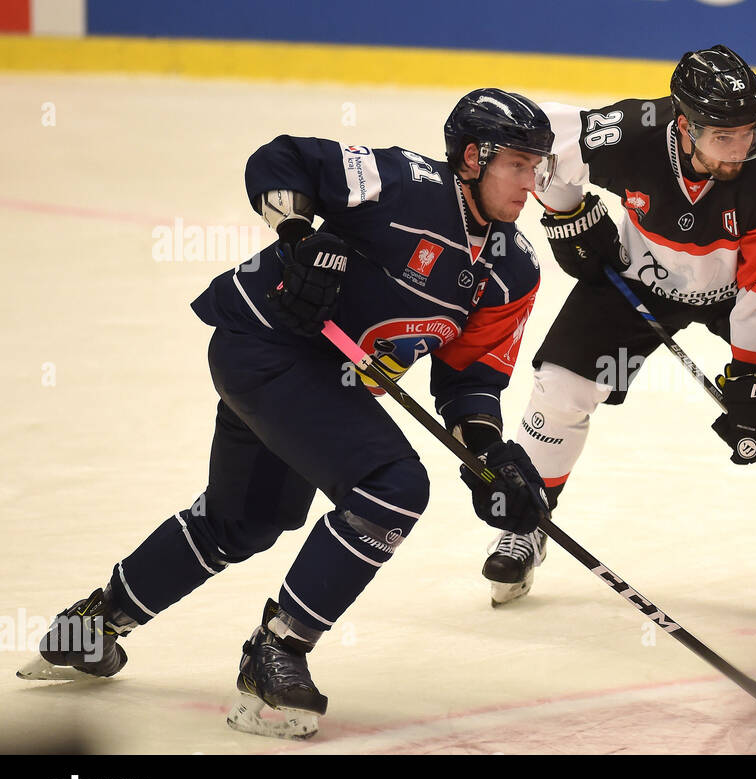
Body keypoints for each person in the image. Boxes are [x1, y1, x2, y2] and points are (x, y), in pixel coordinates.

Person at [18, 89, 556, 738]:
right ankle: (276, 651)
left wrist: (490, 455)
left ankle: (91, 626)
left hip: (320, 379)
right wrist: (300, 238)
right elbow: (282, 159)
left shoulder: (513, 270)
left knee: (243, 520)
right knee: (394, 488)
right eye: (519, 165)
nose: (532, 183)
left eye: (537, 167)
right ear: (473, 157)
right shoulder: (402, 182)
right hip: (263, 342)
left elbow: (470, 378)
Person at [480, 45, 756, 612]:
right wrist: (565, 213)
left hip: (747, 287)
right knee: (562, 387)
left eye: (750, 130)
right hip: (646, 275)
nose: (741, 147)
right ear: (685, 125)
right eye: (724, 136)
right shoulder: (631, 134)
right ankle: (528, 523)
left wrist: (753, 381)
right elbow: (549, 139)